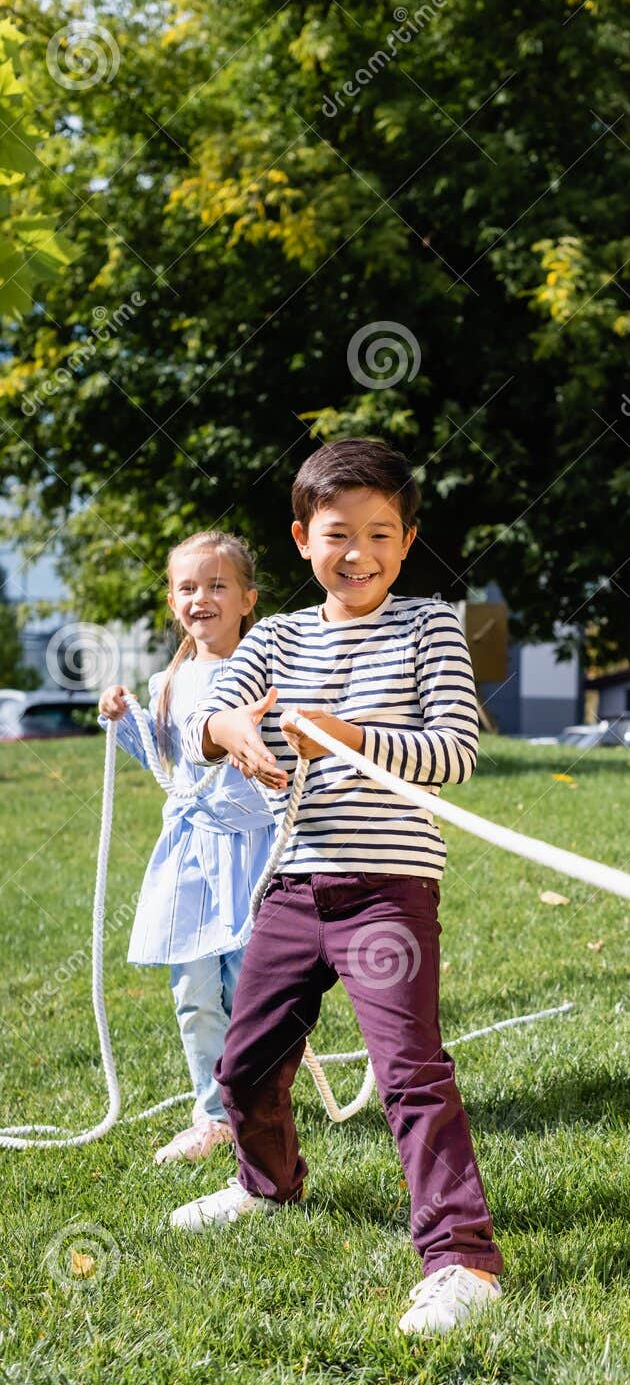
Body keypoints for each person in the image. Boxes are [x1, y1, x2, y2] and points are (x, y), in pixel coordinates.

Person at [171, 438, 503, 1337]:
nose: (357, 553)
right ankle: (266, 1186)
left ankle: (462, 1258)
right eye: (336, 534)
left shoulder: (431, 626)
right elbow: (209, 712)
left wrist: (346, 733)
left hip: (387, 887)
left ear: (406, 542)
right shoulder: (274, 636)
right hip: (291, 885)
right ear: (300, 539)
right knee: (243, 1068)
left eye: (379, 534)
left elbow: (455, 753)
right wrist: (230, 729)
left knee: (410, 1073)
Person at [97, 531, 275, 1165]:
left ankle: (257, 1104)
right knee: (193, 988)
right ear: (174, 602)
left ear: (247, 598)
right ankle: (212, 1113)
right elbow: (167, 763)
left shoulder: (268, 673)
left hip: (256, 849)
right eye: (189, 587)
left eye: (218, 584)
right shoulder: (165, 683)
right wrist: (125, 719)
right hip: (191, 853)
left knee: (249, 985)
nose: (203, 597)